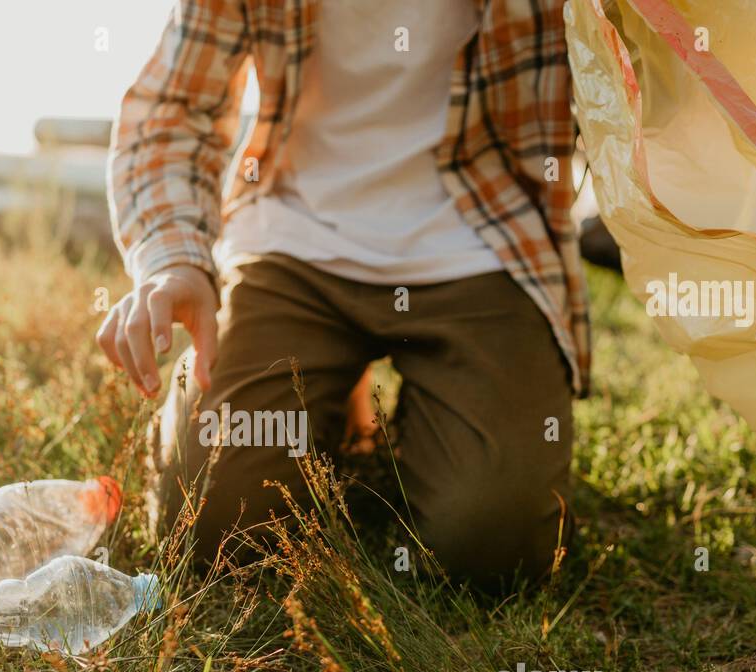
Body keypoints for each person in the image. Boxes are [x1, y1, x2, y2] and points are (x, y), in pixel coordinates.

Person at [98, 0, 588, 586]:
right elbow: (174, 111)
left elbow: (644, 80)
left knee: (494, 550)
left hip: (484, 242)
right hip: (293, 241)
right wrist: (176, 261)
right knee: (213, 525)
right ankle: (336, 393)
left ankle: (416, 412)